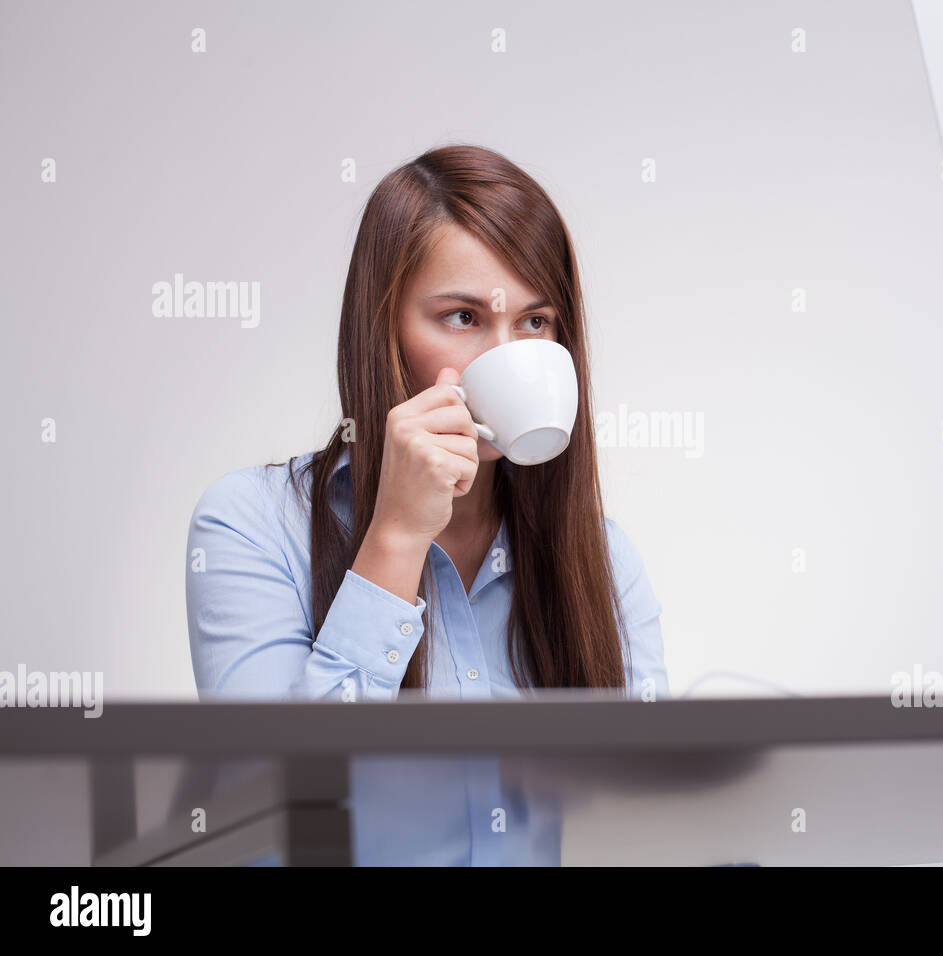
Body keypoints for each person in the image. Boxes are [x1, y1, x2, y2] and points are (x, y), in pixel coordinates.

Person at [183, 144, 669, 864]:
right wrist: (397, 536)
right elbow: (270, 820)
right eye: (464, 317)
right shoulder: (249, 524)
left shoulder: (600, 558)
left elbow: (648, 826)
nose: (505, 354)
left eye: (534, 323)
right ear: (384, 333)